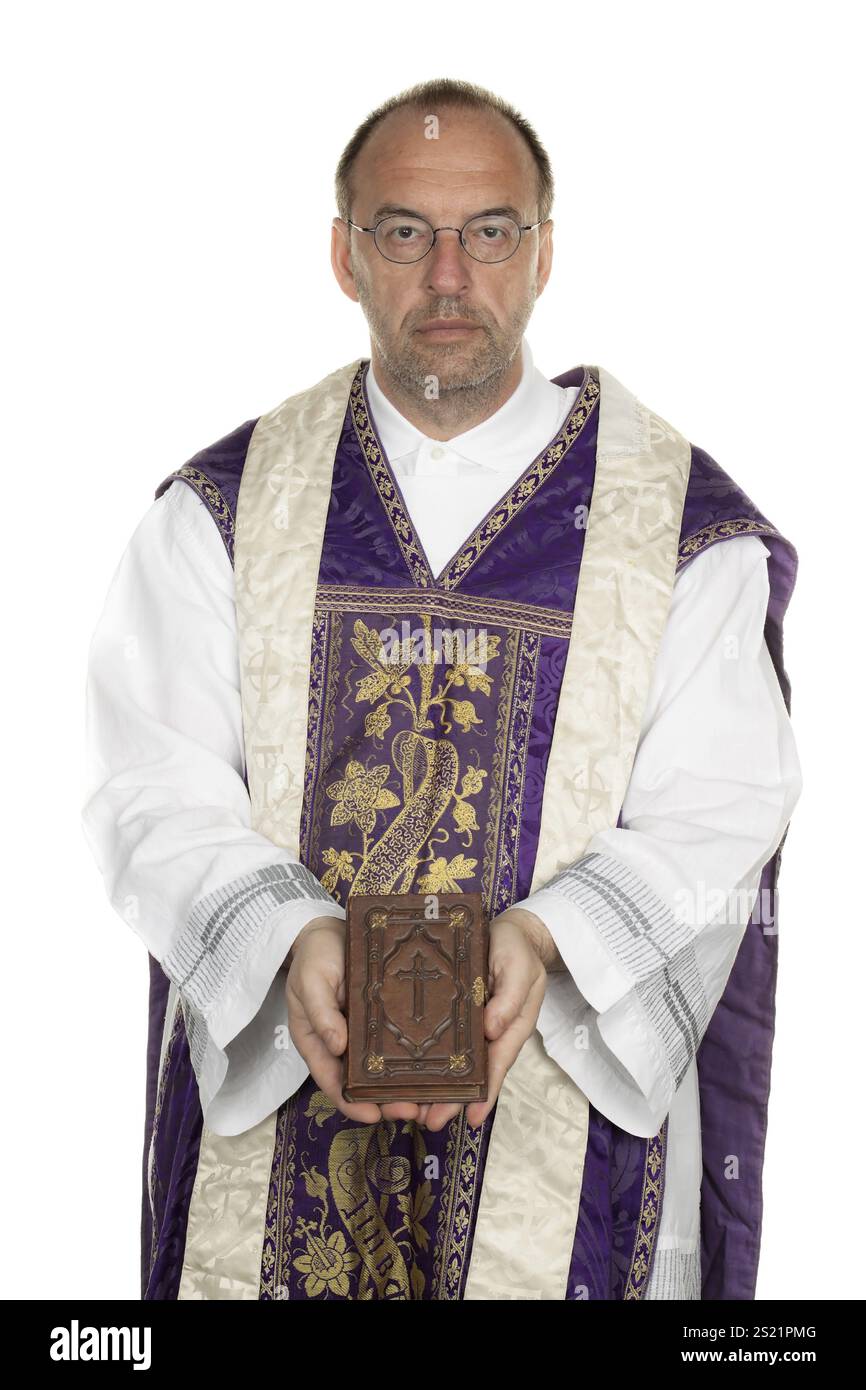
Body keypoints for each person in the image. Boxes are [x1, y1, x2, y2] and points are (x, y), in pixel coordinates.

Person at [81, 77, 802, 1301]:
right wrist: (285, 938)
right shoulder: (222, 510)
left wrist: (547, 939)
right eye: (405, 231)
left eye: (491, 231)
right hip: (274, 1173)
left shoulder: (677, 524)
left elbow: (725, 804)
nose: (450, 275)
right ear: (344, 254)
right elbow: (151, 782)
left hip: (569, 1171)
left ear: (543, 251)